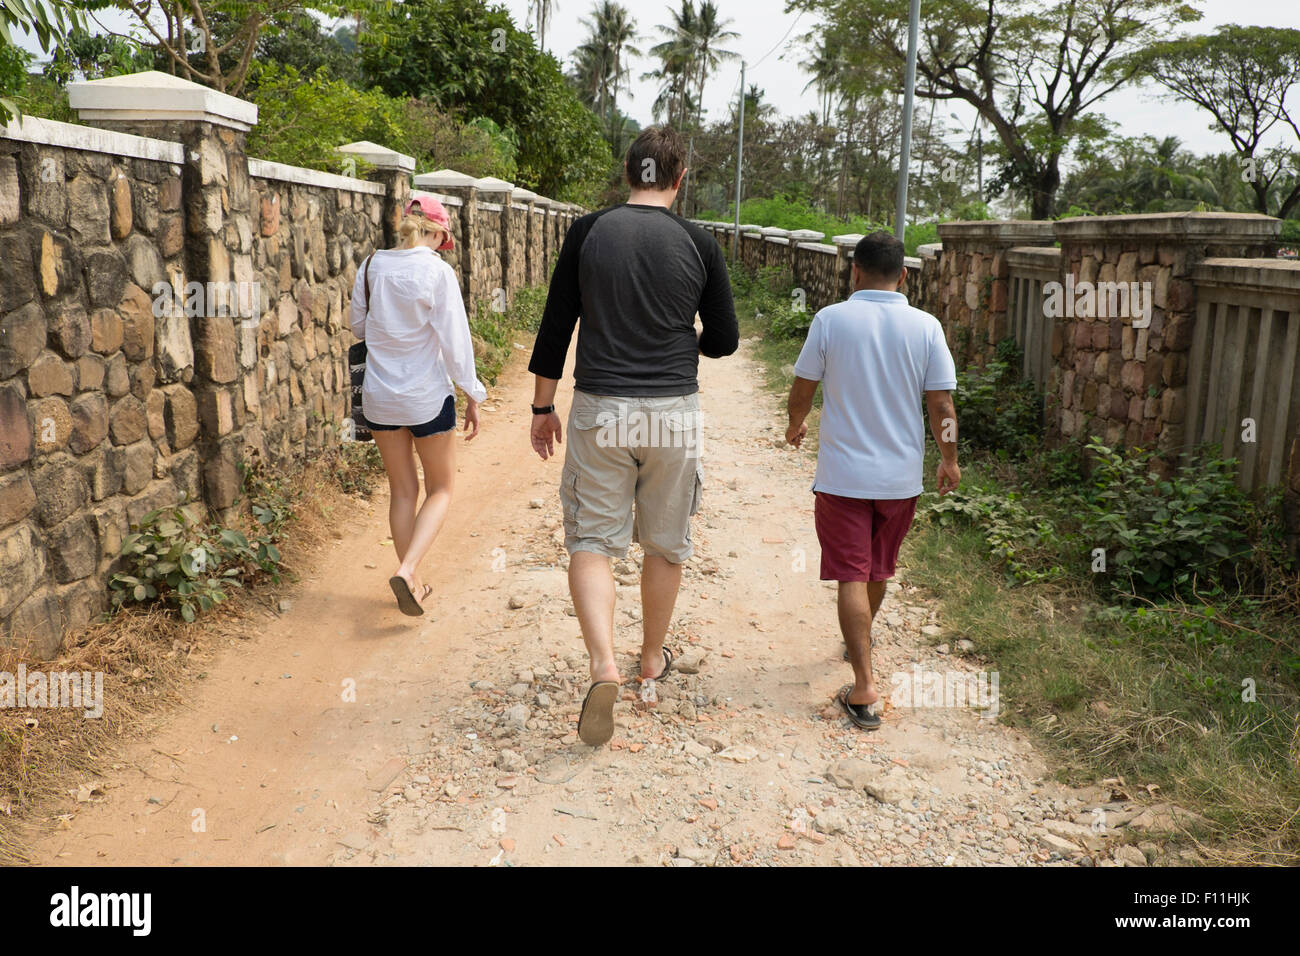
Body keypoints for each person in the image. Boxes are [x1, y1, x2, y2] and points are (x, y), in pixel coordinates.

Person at [527, 126, 738, 746]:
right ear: (679, 179)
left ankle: (603, 665)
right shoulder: (698, 241)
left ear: (628, 174)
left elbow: (555, 326)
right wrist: (681, 341)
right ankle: (650, 661)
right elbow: (723, 339)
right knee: (665, 542)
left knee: (593, 539)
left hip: (601, 407)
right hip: (672, 410)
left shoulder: (589, 232)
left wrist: (543, 406)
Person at [785, 231, 960, 731]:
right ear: (904, 274)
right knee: (876, 570)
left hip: (843, 477)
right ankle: (859, 640)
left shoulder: (830, 320)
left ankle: (863, 684)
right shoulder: (927, 327)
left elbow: (803, 387)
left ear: (854, 269)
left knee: (851, 574)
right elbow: (942, 405)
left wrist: (796, 424)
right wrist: (948, 459)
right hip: (901, 480)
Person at [349, 194, 487, 617]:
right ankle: (409, 571)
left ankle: (414, 578)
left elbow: (358, 325)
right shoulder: (437, 272)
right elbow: (455, 342)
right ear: (438, 233)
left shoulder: (371, 265)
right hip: (427, 398)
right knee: (441, 488)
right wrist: (472, 395)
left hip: (380, 399)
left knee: (403, 490)